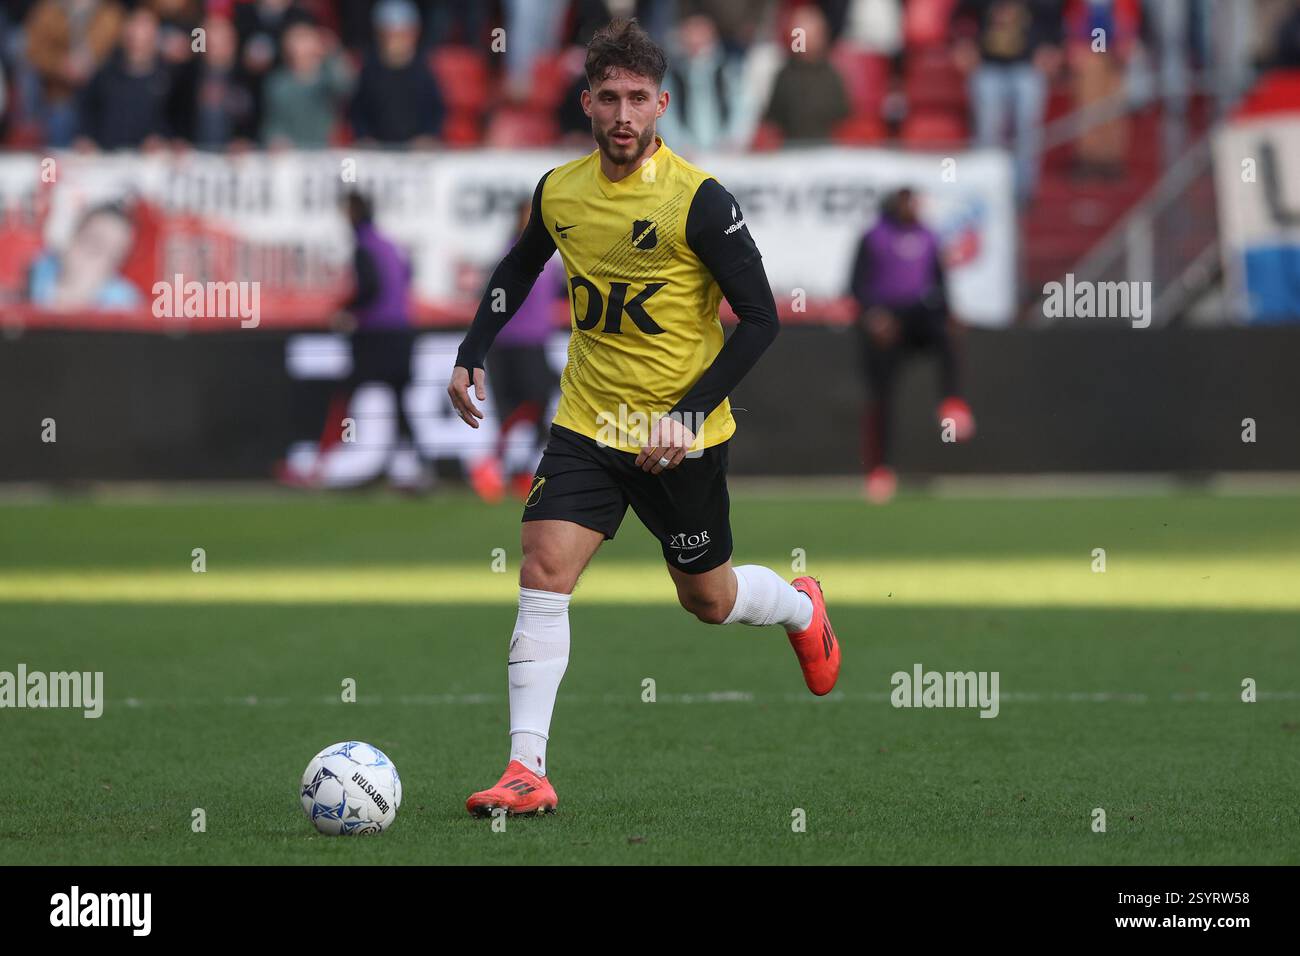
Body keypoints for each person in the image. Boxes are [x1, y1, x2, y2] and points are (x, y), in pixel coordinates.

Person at [447, 18, 841, 817]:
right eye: (608, 98)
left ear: (662, 103)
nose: (623, 115)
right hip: (590, 424)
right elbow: (520, 266)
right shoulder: (560, 190)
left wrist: (689, 416)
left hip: (678, 441)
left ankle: (801, 606)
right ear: (586, 102)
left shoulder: (699, 201)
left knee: (709, 601)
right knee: (543, 569)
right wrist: (472, 349)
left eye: (638, 99)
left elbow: (761, 318)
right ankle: (527, 770)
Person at [849, 187, 973, 504]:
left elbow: (940, 281)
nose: (914, 207)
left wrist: (949, 313)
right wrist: (873, 317)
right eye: (907, 202)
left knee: (946, 338)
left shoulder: (929, 237)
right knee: (881, 400)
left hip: (919, 315)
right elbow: (855, 285)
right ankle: (879, 471)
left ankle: (952, 403)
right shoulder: (873, 237)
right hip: (884, 322)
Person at [467, 198, 564, 504]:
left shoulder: (551, 258)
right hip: (511, 344)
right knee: (518, 408)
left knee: (538, 405)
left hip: (534, 343)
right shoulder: (513, 255)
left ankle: (515, 470)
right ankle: (499, 468)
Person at [954, 0, 1063, 203]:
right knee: (988, 131)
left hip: (1027, 67)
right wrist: (964, 43)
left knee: (1028, 132)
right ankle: (985, 190)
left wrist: (1052, 47)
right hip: (988, 67)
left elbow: (1054, 18)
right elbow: (961, 16)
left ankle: (1023, 194)